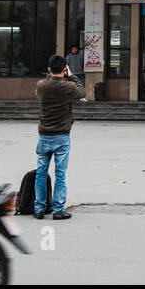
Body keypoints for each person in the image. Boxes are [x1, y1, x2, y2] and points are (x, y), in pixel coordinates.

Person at [34, 55, 84, 220]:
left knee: (41, 172)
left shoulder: (41, 86)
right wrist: (70, 75)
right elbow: (81, 91)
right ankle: (58, 209)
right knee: (60, 174)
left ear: (49, 69)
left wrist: (55, 74)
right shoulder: (68, 86)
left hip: (43, 136)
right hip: (61, 136)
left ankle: (39, 208)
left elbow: (47, 83)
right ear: (64, 69)